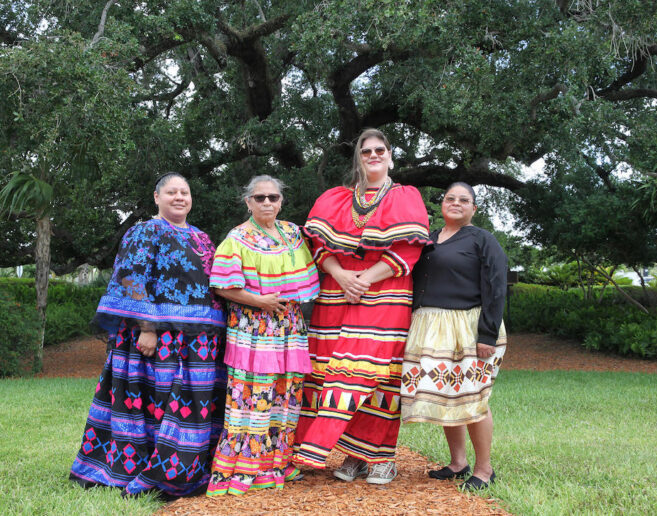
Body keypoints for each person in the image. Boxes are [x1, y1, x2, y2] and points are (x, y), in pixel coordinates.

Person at [69, 172, 227, 497]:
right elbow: (131, 279)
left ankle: (186, 469)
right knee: (159, 402)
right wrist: (147, 327)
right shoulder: (144, 231)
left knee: (190, 403)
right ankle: (152, 471)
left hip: (198, 341)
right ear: (157, 197)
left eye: (185, 191)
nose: (180, 197)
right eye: (172, 192)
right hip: (157, 337)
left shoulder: (203, 237)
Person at [293, 128, 431, 485]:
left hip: (385, 294)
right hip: (337, 295)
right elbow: (318, 249)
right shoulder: (335, 199)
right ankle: (353, 454)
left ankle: (381, 456)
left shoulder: (406, 196)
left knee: (374, 374)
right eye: (366, 151)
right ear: (358, 157)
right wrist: (342, 276)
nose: (373, 155)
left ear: (390, 155)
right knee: (329, 374)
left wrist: (365, 278)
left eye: (379, 150)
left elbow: (408, 251)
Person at [206, 175, 320, 496]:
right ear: (248, 202)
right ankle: (246, 466)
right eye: (259, 198)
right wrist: (261, 301)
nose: (267, 202)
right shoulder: (237, 237)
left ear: (281, 201)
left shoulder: (293, 233)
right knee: (253, 394)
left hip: (289, 327)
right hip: (253, 327)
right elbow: (223, 285)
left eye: (272, 197)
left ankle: (278, 462)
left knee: (286, 394)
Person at [400, 182, 507, 491]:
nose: (456, 203)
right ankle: (458, 462)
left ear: (474, 208)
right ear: (442, 204)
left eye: (464, 200)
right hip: (431, 326)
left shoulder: (483, 240)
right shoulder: (428, 239)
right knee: (449, 395)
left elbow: (496, 286)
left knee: (473, 397)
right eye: (450, 198)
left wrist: (486, 334)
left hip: (469, 327)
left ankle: (485, 470)